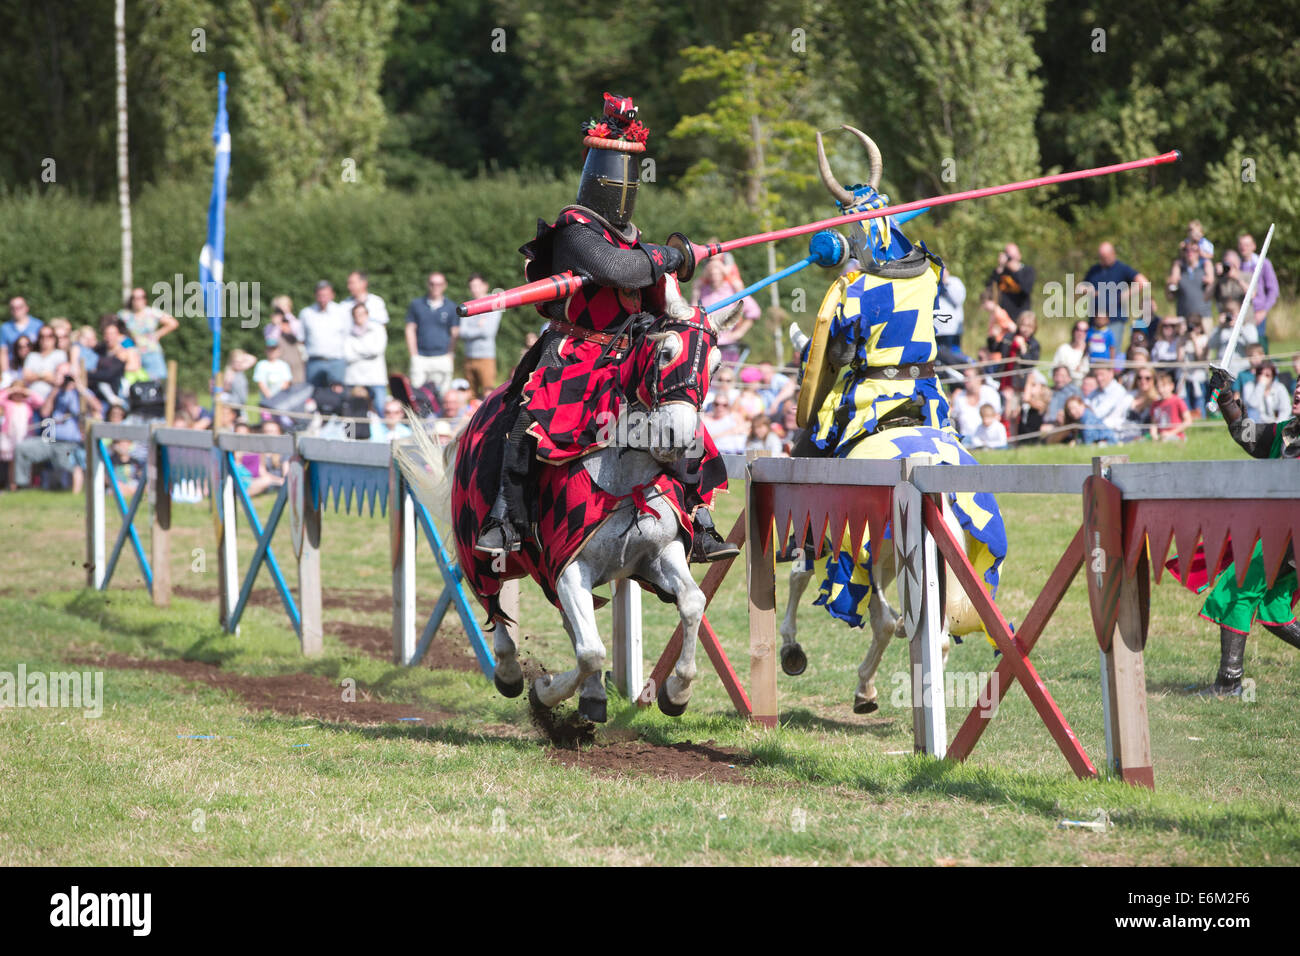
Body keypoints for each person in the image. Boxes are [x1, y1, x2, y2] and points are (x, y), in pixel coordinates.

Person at [475, 94, 734, 562]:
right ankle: (505, 520)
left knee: (682, 417)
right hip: (573, 352)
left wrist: (671, 267)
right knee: (524, 428)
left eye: (629, 177)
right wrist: (670, 256)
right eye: (615, 175)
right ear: (595, 176)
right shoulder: (575, 229)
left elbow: (648, 283)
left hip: (630, 354)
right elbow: (618, 271)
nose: (622, 186)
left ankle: (697, 517)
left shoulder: (633, 237)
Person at [1189, 372, 1300, 696]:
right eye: (1298, 382)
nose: (1297, 389)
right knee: (1273, 608)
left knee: (1238, 589)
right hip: (1280, 535)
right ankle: (1230, 682)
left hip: (1291, 540)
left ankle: (1229, 683)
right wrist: (1225, 397)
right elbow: (1245, 432)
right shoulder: (1286, 434)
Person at [12, 371, 101, 491]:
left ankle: (76, 492)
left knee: (71, 466)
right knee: (22, 449)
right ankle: (21, 487)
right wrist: (56, 388)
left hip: (70, 444)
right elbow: (44, 412)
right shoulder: (55, 392)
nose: (67, 380)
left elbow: (98, 408)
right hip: (49, 440)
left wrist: (80, 387)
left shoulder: (81, 394)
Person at [1077, 242, 1149, 347]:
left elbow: (1143, 282)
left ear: (1113, 254)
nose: (1103, 260)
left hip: (1115, 319)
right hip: (1095, 320)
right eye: (1101, 257)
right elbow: (1080, 287)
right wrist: (1087, 291)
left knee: (1111, 351)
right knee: (1094, 350)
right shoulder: (1094, 270)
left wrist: (1127, 293)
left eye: (1105, 257)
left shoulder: (1122, 268)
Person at [690, 256, 758, 363]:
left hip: (726, 348)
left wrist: (738, 334)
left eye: (717, 269)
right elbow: (693, 317)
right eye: (712, 270)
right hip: (704, 346)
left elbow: (754, 312)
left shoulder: (733, 289)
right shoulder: (702, 290)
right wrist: (695, 292)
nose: (714, 274)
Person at [404, 272, 459, 394]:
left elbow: (455, 333)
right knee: (417, 395)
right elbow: (410, 329)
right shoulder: (416, 305)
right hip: (421, 357)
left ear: (444, 285)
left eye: (439, 284)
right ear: (428, 284)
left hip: (443, 357)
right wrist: (413, 354)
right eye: (432, 284)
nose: (435, 287)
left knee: (443, 396)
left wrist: (450, 354)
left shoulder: (451, 307)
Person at [119, 287, 179, 381]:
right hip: (132, 355)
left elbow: (173, 323)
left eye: (141, 297)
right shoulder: (124, 315)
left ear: (145, 299)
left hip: (151, 352)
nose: (138, 300)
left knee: (154, 383)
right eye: (135, 298)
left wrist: (158, 334)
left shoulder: (152, 312)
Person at [459, 274, 502, 398]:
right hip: (469, 357)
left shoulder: (494, 303)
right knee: (469, 395)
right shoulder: (467, 304)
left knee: (488, 394)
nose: (474, 289)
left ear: (485, 286)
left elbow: (488, 331)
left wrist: (472, 330)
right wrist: (479, 328)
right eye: (472, 286)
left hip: (486, 357)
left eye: (477, 286)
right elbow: (462, 332)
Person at [300, 280, 349, 386]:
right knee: (313, 395)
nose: (322, 299)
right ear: (315, 296)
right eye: (320, 295)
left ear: (332, 295)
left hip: (336, 361)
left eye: (325, 295)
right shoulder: (306, 313)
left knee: (337, 396)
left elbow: (347, 335)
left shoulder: (341, 312)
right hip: (314, 361)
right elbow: (302, 338)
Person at [343, 302, 389, 414]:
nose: (359, 317)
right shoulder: (347, 332)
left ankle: (383, 431)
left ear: (367, 314)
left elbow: (377, 350)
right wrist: (367, 351)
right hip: (354, 378)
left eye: (362, 314)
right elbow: (348, 355)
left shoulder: (378, 329)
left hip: (376, 378)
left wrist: (357, 349)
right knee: (351, 412)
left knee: (381, 409)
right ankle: (351, 432)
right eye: (356, 314)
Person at [1237, 233, 1279, 351]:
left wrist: (1264, 310)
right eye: (1241, 245)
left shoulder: (1264, 263)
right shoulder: (1237, 266)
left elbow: (1273, 290)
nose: (1243, 247)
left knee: (1258, 347)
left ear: (1254, 246)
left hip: (1257, 312)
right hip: (1241, 313)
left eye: (1247, 244)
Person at [1166, 239, 1214, 326]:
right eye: (1186, 250)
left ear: (1199, 252)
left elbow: (1212, 290)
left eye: (1193, 250)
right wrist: (1169, 284)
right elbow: (1170, 298)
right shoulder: (1179, 270)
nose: (1189, 253)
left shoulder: (1205, 269)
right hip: (1183, 319)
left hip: (1204, 318)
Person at [985, 243, 1035, 317]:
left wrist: (1015, 271)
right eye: (1009, 257)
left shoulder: (1027, 271)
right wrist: (1000, 267)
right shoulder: (1001, 272)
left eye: (1013, 256)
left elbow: (1026, 289)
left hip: (1021, 316)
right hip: (1003, 316)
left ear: (1019, 256)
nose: (1011, 260)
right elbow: (989, 288)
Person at [22, 326, 68, 403]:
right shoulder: (32, 356)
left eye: (49, 336)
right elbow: (26, 377)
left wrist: (35, 376)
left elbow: (58, 380)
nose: (45, 339)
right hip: (32, 400)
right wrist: (44, 375)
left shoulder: (60, 354)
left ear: (54, 338)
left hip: (53, 401)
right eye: (42, 336)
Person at [1, 297, 43, 368]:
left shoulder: (38, 325)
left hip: (35, 368)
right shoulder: (5, 328)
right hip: (14, 368)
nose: (16, 310)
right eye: (13, 308)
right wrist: (6, 373)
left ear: (26, 308)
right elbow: (3, 352)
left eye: (19, 307)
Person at [934, 268, 967, 356]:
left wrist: (945, 283)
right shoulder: (932, 282)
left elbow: (958, 299)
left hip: (951, 331)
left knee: (953, 358)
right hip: (935, 330)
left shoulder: (954, 282)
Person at [1149, 371, 1189, 440]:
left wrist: (1171, 433)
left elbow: (1188, 421)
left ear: (1172, 386)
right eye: (1158, 387)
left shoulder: (1177, 400)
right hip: (1161, 436)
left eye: (1163, 386)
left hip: (1177, 436)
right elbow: (1154, 423)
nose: (1161, 390)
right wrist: (1154, 435)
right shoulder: (1155, 404)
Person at [1051, 319, 1091, 387]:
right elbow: (1053, 370)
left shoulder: (1090, 351)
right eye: (1078, 329)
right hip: (1065, 386)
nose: (1081, 333)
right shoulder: (1063, 349)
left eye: (1085, 331)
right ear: (1073, 331)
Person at [253, 338, 294, 403]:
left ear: (279, 351)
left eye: (274, 349)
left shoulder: (284, 365)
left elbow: (286, 382)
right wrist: (269, 397)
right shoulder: (261, 365)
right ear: (265, 351)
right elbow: (260, 382)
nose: (272, 352)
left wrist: (278, 397)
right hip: (266, 400)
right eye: (269, 349)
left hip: (281, 399)